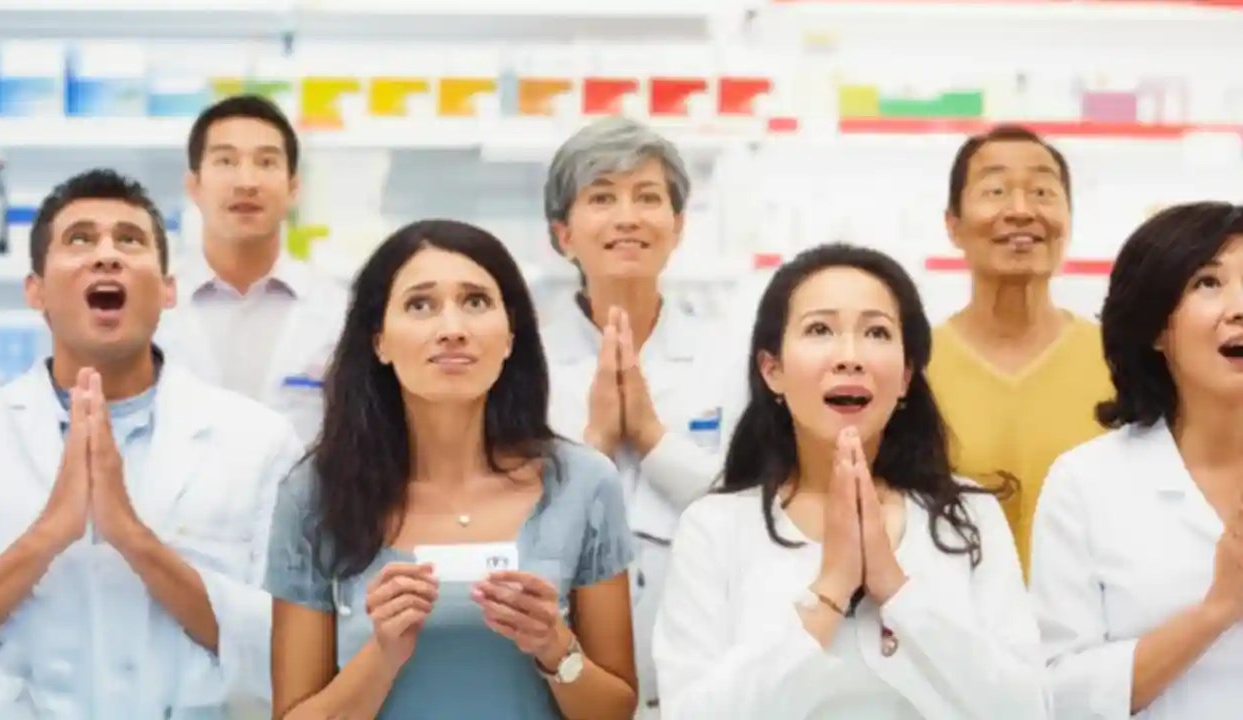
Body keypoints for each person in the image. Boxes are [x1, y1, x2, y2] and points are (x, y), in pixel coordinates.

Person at [653, 244, 1046, 720]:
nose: (850, 357)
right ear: (772, 370)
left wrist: (895, 587)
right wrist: (830, 590)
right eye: (819, 329)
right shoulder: (714, 526)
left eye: (876, 332)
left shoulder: (968, 517)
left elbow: (1027, 709)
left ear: (905, 376)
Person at [266, 219, 638, 719]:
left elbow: (616, 711)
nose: (453, 329)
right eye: (420, 305)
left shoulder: (583, 484)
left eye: (476, 302)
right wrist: (382, 656)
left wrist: (554, 646)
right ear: (379, 340)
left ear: (510, 336)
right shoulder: (315, 495)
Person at [0, 169, 300, 718]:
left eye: (130, 239)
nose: (106, 255)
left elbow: (290, 651)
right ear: (35, 291)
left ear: (168, 290)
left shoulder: (257, 442)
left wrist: (131, 535)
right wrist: (50, 533)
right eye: (79, 239)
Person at [539, 116, 722, 717]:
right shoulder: (520, 365)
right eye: (602, 198)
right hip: (559, 678)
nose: (627, 217)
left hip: (705, 672)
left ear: (678, 226)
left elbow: (758, 510)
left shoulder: (733, 356)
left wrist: (652, 439)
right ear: (563, 234)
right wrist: (594, 445)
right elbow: (513, 525)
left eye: (647, 197)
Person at [1031, 202, 1243, 719]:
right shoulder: (1086, 483)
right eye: (1208, 283)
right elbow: (1058, 695)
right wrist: (1217, 610)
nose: (1239, 307)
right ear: (1155, 328)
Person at [928, 124, 1112, 572]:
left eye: (1043, 192)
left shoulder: (1121, 362)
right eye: (995, 191)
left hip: (1095, 614)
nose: (1021, 211)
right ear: (953, 225)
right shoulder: (912, 369)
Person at [155, 94, 349, 445]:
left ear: (293, 187)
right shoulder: (152, 308)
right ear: (194, 186)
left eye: (266, 162)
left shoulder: (339, 310)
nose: (246, 181)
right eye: (225, 161)